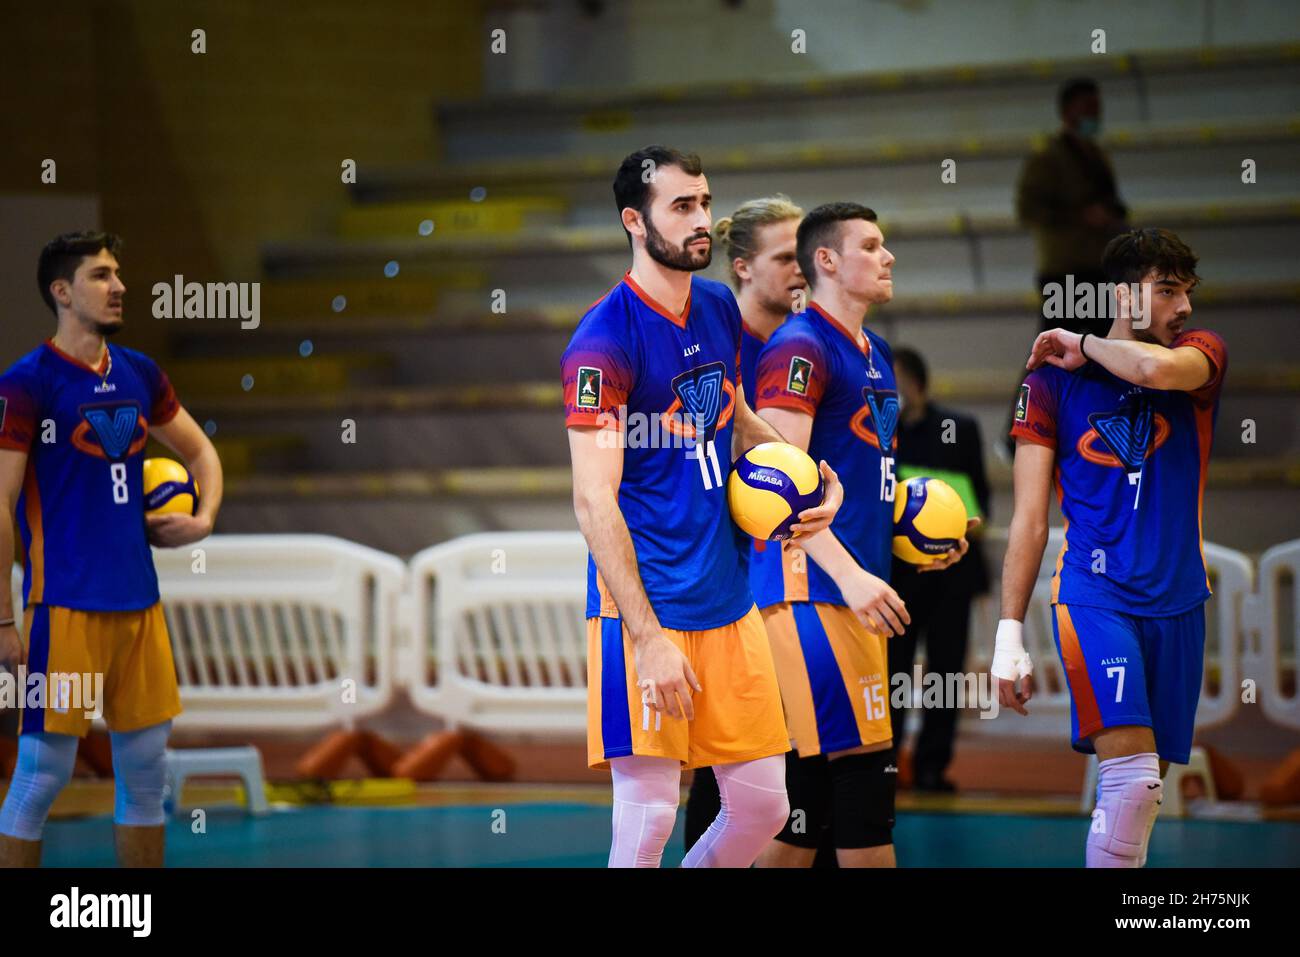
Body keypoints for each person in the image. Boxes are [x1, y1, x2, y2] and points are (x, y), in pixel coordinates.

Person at [562, 148, 846, 868]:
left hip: (727, 599)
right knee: (651, 815)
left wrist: (809, 476)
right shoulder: (602, 341)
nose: (701, 220)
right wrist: (647, 636)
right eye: (681, 206)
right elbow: (594, 501)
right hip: (646, 608)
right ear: (634, 220)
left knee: (764, 806)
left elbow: (738, 412)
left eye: (705, 202)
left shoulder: (718, 306)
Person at [747, 203, 976, 867]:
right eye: (872, 246)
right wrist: (848, 572)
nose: (888, 256)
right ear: (826, 260)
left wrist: (918, 530)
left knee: (809, 805)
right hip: (808, 589)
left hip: (852, 590)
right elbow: (774, 486)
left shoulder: (874, 353)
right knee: (866, 773)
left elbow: (860, 474)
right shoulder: (799, 347)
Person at [993, 228, 1226, 868]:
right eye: (1167, 291)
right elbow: (1030, 519)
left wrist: (1085, 342)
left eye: (1188, 291)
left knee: (1146, 796)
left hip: (1180, 601)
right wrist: (1008, 637)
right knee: (1132, 780)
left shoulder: (1200, 357)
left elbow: (1152, 367)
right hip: (1096, 596)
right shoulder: (1048, 384)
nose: (1184, 308)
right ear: (1124, 294)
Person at [0, 231, 224, 867]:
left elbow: (200, 450)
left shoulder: (140, 373)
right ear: (62, 292)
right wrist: (2, 619)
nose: (119, 286)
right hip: (62, 608)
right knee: (43, 775)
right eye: (101, 276)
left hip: (140, 607)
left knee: (148, 778)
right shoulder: (24, 385)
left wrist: (203, 518)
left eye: (118, 274)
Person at [680, 194, 813, 853]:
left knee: (803, 759)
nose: (801, 270)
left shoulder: (810, 340)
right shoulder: (711, 334)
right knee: (724, 756)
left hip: (800, 569)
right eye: (787, 256)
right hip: (731, 577)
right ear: (741, 267)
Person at [888, 347, 991, 793]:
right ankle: (885, 764)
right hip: (897, 575)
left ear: (918, 382)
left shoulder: (958, 428)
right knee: (892, 669)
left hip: (952, 572)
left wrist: (944, 522)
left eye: (899, 382)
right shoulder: (879, 434)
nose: (892, 391)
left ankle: (933, 765)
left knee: (946, 672)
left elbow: (979, 503)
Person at [1016, 76, 1129, 334]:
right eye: (1087, 107)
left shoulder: (1097, 155)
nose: (1094, 114)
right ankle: (1038, 378)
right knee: (1054, 347)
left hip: (1098, 267)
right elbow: (1028, 210)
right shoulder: (1047, 157)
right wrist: (1080, 216)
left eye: (1096, 107)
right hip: (1064, 270)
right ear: (1067, 111)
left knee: (1108, 342)